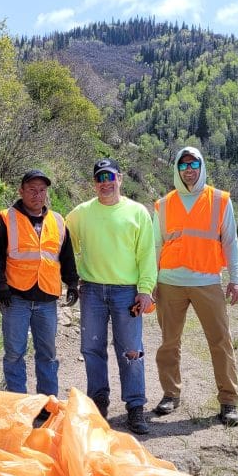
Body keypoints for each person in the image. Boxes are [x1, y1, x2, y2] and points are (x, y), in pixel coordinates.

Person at [152, 146, 238, 426]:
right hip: (169, 282)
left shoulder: (219, 200)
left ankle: (229, 401)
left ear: (202, 167)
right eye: (183, 165)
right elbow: (155, 244)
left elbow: (230, 241)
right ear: (177, 170)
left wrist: (235, 279)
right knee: (169, 343)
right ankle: (170, 394)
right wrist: (150, 281)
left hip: (207, 281)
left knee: (220, 341)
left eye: (193, 164)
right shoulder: (164, 204)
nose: (188, 169)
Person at [66, 158, 156, 434]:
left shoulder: (137, 212)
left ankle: (135, 406)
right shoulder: (80, 213)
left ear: (120, 179)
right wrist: (71, 277)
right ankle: (98, 402)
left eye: (110, 177)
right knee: (92, 349)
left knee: (131, 351)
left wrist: (145, 290)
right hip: (91, 289)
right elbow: (63, 240)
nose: (105, 183)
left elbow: (147, 254)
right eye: (100, 178)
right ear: (94, 183)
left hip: (126, 292)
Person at [0, 169, 77, 405]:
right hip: (15, 298)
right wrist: (0, 284)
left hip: (47, 298)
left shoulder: (58, 221)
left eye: (42, 190)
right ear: (21, 191)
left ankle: (48, 405)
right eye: (32, 190)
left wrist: (72, 282)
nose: (38, 195)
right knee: (15, 353)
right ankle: (19, 405)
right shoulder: (6, 218)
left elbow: (65, 256)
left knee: (47, 355)